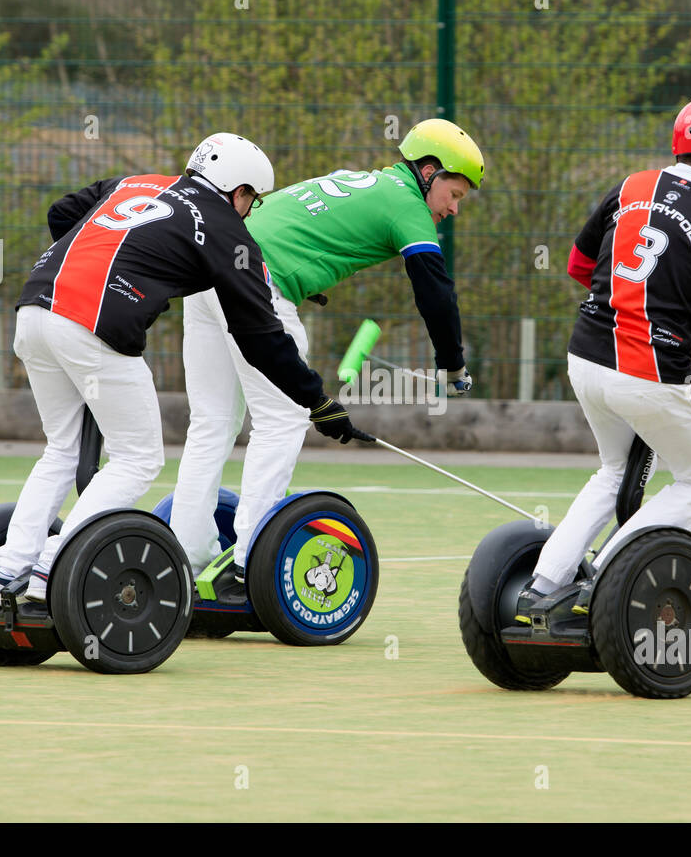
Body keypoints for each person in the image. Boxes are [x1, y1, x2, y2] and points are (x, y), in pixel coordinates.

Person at [0, 134, 366, 609]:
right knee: (137, 459)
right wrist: (317, 401)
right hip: (92, 328)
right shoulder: (226, 229)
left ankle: (5, 574)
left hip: (34, 310)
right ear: (240, 191)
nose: (251, 211)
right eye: (253, 200)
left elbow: (62, 212)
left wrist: (109, 260)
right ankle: (51, 570)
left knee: (61, 450)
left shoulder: (134, 181)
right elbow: (262, 337)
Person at [167, 118, 485, 592]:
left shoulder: (356, 179)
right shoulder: (408, 205)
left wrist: (307, 272)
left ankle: (186, 559)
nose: (454, 208)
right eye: (454, 194)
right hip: (257, 283)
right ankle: (247, 567)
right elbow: (436, 292)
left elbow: (286, 222)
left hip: (208, 273)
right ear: (428, 172)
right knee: (284, 418)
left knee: (212, 422)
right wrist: (453, 363)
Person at [515, 97, 691, 623]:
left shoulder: (628, 188)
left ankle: (541, 586)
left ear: (677, 144)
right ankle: (605, 581)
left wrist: (647, 303)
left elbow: (582, 267)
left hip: (586, 358)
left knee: (612, 469)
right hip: (649, 376)